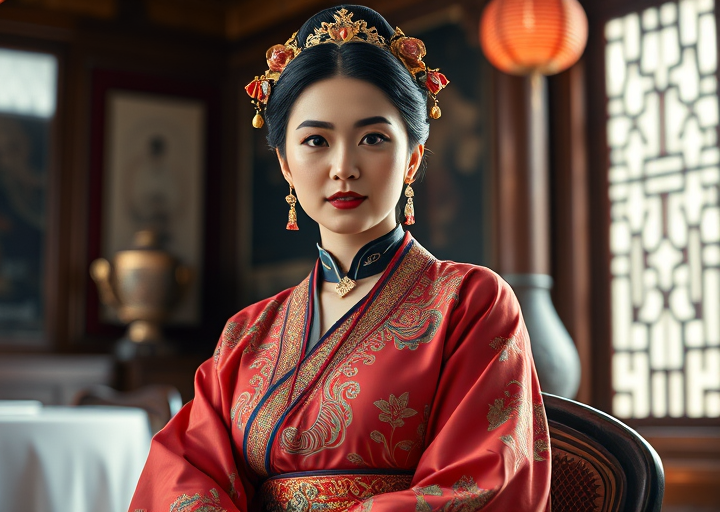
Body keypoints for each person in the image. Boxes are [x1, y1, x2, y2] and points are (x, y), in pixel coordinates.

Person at [128, 5, 551, 511]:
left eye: (373, 138)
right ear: (285, 163)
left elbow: (482, 481)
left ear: (413, 157)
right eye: (316, 141)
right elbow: (183, 471)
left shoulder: (469, 303)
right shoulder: (248, 333)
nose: (344, 166)